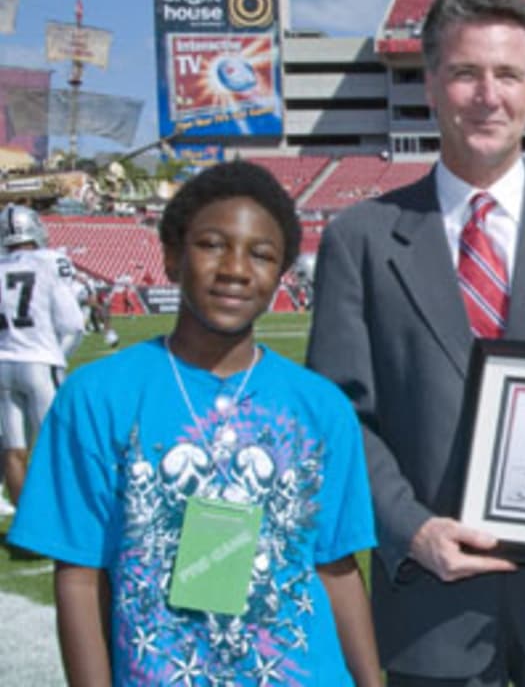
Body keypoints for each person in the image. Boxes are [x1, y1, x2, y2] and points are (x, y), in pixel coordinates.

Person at [306, 0, 525, 687]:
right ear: (432, 84)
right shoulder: (360, 240)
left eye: (507, 75)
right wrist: (412, 528)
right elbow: (339, 419)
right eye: (466, 73)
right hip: (429, 618)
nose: (486, 95)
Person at [7, 161, 380, 685]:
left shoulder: (321, 407)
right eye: (212, 244)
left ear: (281, 274)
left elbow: (337, 571)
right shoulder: (95, 397)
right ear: (172, 255)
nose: (235, 268)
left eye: (261, 254)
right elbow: (79, 575)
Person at [0, 204, 84, 509]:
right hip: (39, 360)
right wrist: (59, 363)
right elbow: (74, 325)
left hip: (3, 362)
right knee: (58, 445)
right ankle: (61, 519)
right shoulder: (51, 261)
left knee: (13, 449)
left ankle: (26, 529)